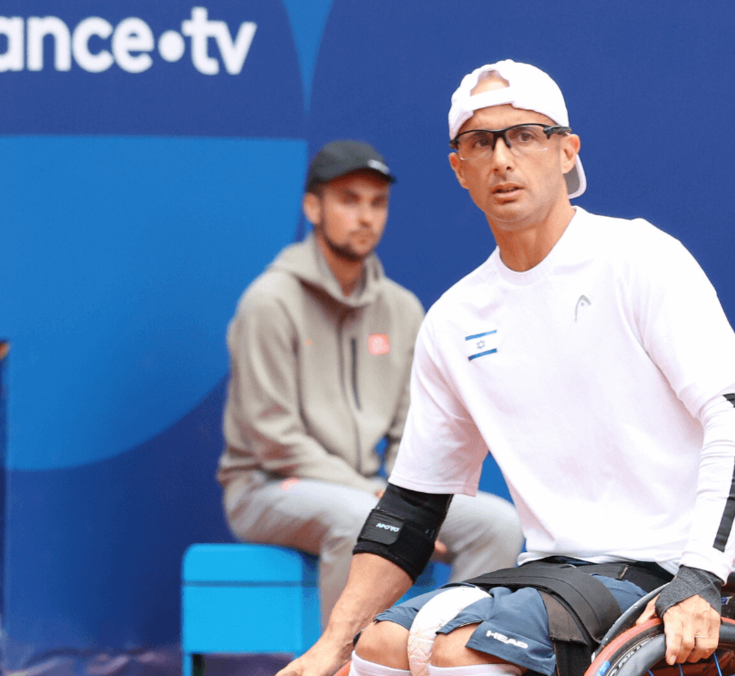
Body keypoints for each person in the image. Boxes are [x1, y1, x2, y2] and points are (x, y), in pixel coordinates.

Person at [259, 61, 735, 676]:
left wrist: (703, 574)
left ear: (566, 151)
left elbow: (732, 414)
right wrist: (332, 644)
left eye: (524, 135)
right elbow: (410, 513)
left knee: (467, 659)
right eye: (481, 142)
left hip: (665, 566)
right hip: (554, 572)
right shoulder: (457, 318)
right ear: (457, 169)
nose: (503, 157)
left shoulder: (639, 258)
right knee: (383, 655)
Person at [218, 139, 524, 625]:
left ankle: (449, 671)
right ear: (312, 207)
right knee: (361, 520)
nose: (365, 216)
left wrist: (406, 496)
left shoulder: (401, 309)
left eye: (377, 203)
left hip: (372, 488)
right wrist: (373, 495)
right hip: (267, 488)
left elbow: (414, 428)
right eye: (348, 199)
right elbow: (273, 440)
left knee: (497, 524)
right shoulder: (269, 302)